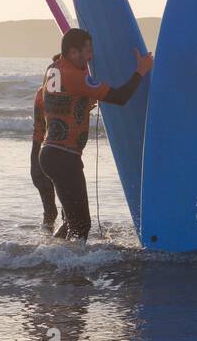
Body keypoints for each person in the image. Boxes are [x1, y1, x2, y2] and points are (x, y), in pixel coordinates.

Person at [38, 28, 153, 242]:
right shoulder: (75, 76)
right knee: (82, 225)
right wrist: (141, 70)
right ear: (73, 53)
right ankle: (66, 266)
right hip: (64, 157)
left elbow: (64, 99)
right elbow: (120, 97)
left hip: (51, 153)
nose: (91, 56)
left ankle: (52, 255)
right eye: (88, 51)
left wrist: (83, 101)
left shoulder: (53, 69)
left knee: (72, 222)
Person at [30, 54, 61, 232]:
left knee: (58, 200)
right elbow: (40, 125)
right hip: (47, 146)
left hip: (51, 148)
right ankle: (52, 242)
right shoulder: (43, 93)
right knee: (44, 183)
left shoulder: (44, 91)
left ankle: (53, 234)